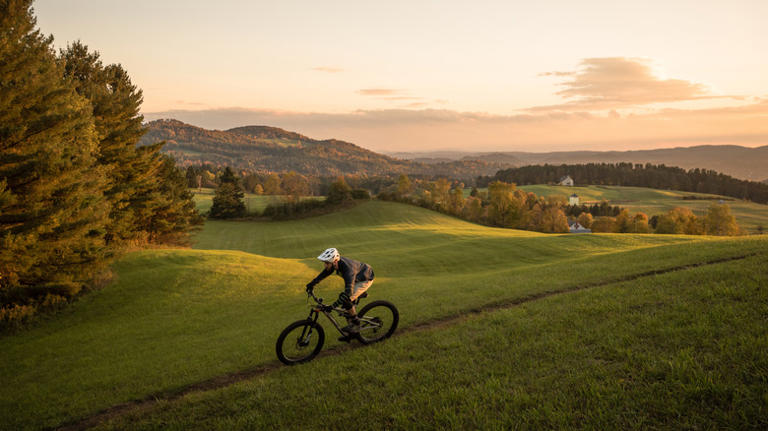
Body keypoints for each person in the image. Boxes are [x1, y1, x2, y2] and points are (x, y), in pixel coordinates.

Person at [305, 247, 374, 340]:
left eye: (326, 263)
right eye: (324, 263)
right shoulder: (335, 264)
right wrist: (312, 284)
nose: (325, 265)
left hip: (364, 279)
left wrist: (332, 306)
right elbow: (324, 273)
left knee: (346, 300)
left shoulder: (348, 270)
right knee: (346, 308)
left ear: (335, 262)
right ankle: (351, 334)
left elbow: (348, 293)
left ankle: (356, 324)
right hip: (356, 278)